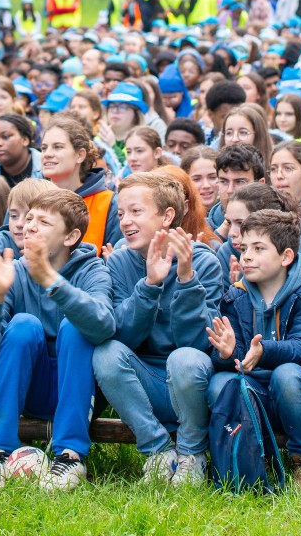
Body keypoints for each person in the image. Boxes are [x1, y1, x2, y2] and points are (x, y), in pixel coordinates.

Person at [0, 189, 115, 491]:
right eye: (28, 218)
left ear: (71, 236)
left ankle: (70, 456)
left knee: (75, 327)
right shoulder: (14, 272)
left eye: (43, 222)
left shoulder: (92, 269)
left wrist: (52, 280)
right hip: (31, 390)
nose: (29, 225)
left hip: (78, 390)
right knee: (23, 324)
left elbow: (103, 327)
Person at [92, 172, 223, 484]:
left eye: (136, 212)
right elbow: (122, 335)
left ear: (167, 216)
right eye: (121, 213)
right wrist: (150, 285)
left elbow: (198, 342)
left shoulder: (203, 262)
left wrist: (187, 278)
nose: (125, 221)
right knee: (106, 352)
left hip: (192, 382)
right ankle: (158, 450)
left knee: (184, 358)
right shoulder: (120, 263)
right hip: (146, 382)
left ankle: (192, 453)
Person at [205, 209, 301, 486]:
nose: (246, 255)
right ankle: (249, 456)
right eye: (244, 248)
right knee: (220, 382)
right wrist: (227, 354)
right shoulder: (236, 295)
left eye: (259, 248)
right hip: (255, 393)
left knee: (287, 374)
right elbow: (239, 359)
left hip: (298, 396)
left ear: (286, 257)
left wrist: (266, 351)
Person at [39, 115, 120, 248]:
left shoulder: (109, 203)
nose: (47, 154)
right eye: (43, 148)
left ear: (80, 155)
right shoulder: (29, 195)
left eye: (58, 147)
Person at [210, 143, 265, 235]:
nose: (230, 190)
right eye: (224, 181)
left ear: (260, 185)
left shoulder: (282, 228)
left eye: (240, 182)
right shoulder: (202, 229)